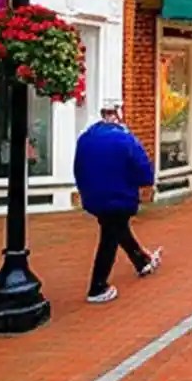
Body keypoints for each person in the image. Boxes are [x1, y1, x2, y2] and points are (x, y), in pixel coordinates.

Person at [74, 102, 162, 303]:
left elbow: (78, 168)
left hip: (93, 196)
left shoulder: (85, 138)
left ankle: (141, 261)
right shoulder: (125, 139)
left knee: (116, 228)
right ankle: (97, 287)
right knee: (109, 238)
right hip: (119, 196)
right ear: (118, 114)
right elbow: (144, 171)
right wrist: (144, 181)